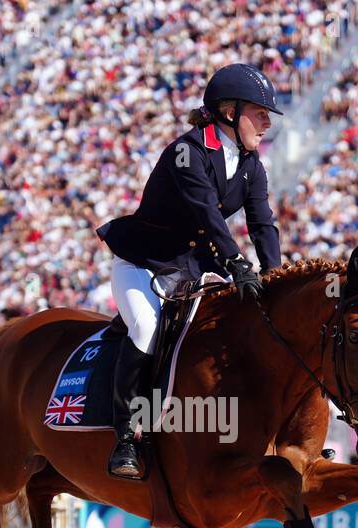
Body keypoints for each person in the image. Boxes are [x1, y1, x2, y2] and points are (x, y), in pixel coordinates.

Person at [96, 63, 284, 479]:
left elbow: (262, 223)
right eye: (260, 113)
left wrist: (275, 276)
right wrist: (236, 262)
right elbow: (205, 212)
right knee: (146, 327)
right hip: (144, 263)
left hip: (195, 267)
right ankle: (126, 436)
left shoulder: (251, 165)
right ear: (230, 112)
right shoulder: (188, 151)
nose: (267, 123)